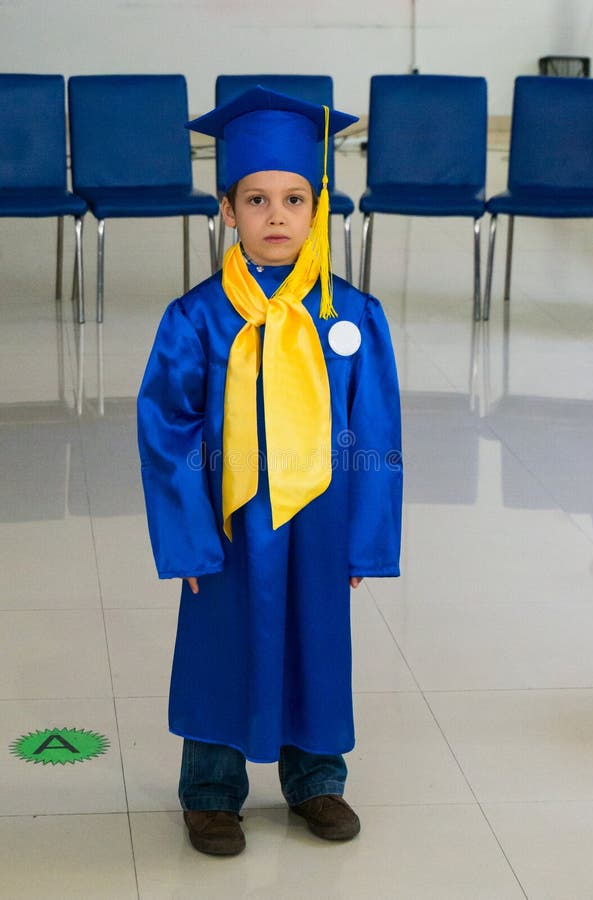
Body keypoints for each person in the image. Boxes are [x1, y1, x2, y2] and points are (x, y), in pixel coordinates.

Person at [137, 87, 403, 857]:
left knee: (316, 641)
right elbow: (167, 432)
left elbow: (376, 434)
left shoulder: (351, 315)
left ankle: (316, 779)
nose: (276, 215)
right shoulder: (196, 318)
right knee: (221, 644)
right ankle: (210, 792)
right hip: (227, 521)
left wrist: (364, 541)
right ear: (227, 210)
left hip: (318, 518)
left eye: (294, 199)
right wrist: (189, 540)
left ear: (318, 209)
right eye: (256, 199)